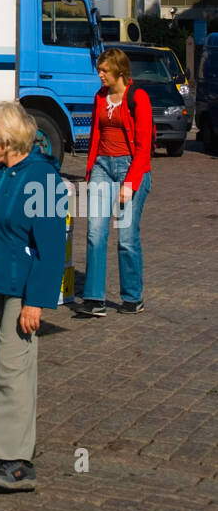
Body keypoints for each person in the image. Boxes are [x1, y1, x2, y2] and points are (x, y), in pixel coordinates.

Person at [0, 102, 67, 492]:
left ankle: (17, 462)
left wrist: (36, 301)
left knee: (11, 365)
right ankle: (0, 447)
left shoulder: (45, 179)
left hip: (21, 288)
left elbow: (53, 247)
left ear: (6, 141)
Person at [75, 46, 152, 318]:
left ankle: (133, 297)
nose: (100, 74)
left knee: (126, 237)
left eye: (104, 70)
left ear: (119, 71)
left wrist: (129, 183)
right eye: (99, 70)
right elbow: (95, 134)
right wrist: (89, 171)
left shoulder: (138, 97)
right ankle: (95, 299)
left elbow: (144, 148)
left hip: (131, 168)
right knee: (96, 232)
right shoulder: (100, 97)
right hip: (102, 168)